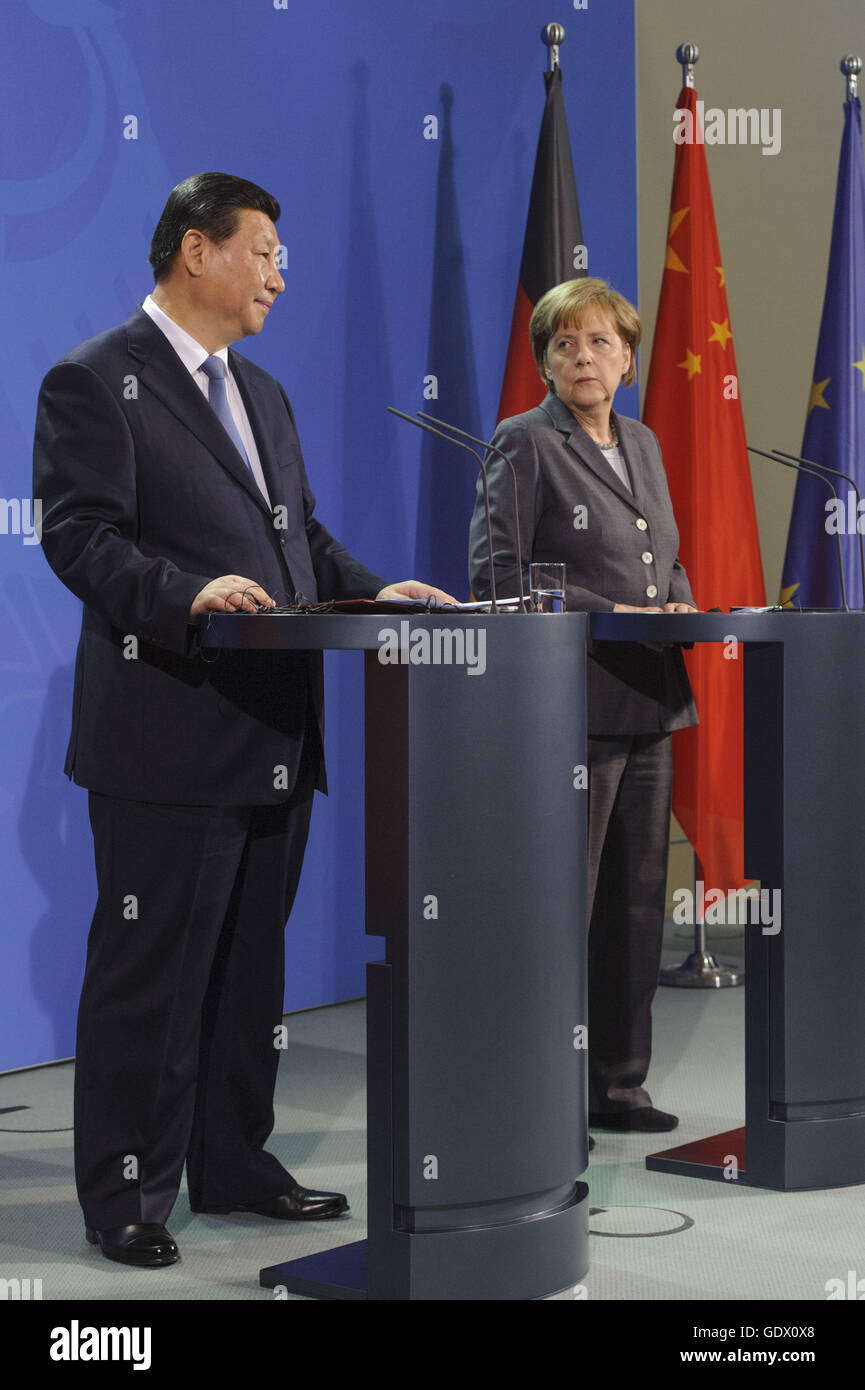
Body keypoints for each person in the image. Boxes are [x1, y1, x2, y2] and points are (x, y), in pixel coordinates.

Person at [33, 172, 455, 1268]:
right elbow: (80, 536)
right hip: (168, 727)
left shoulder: (261, 393)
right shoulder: (93, 380)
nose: (280, 271)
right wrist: (187, 595)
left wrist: (377, 592)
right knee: (153, 975)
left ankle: (234, 1163)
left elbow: (297, 542)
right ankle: (128, 1193)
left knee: (245, 977)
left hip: (273, 729)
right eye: (262, 249)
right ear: (192, 251)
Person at [468, 277, 697, 1135]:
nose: (582, 358)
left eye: (599, 342)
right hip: (570, 707)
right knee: (564, 903)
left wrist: (675, 603)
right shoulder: (521, 444)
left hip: (653, 702)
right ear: (544, 362)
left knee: (636, 907)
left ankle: (617, 1085)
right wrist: (611, 619)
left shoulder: (641, 441)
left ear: (628, 359)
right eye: (563, 344)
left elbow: (664, 558)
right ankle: (541, 1089)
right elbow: (496, 582)